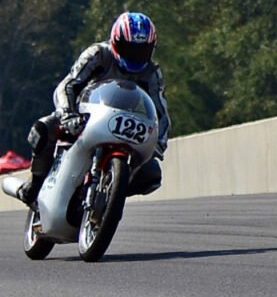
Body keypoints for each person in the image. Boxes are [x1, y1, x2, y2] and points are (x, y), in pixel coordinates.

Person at [13, 11, 171, 207]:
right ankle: (34, 185)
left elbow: (161, 113)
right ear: (115, 40)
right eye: (128, 48)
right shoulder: (98, 54)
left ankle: (111, 192)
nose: (134, 56)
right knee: (44, 128)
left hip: (124, 127)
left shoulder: (151, 73)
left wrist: (158, 144)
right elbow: (68, 85)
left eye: (141, 51)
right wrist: (67, 114)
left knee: (152, 173)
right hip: (82, 117)